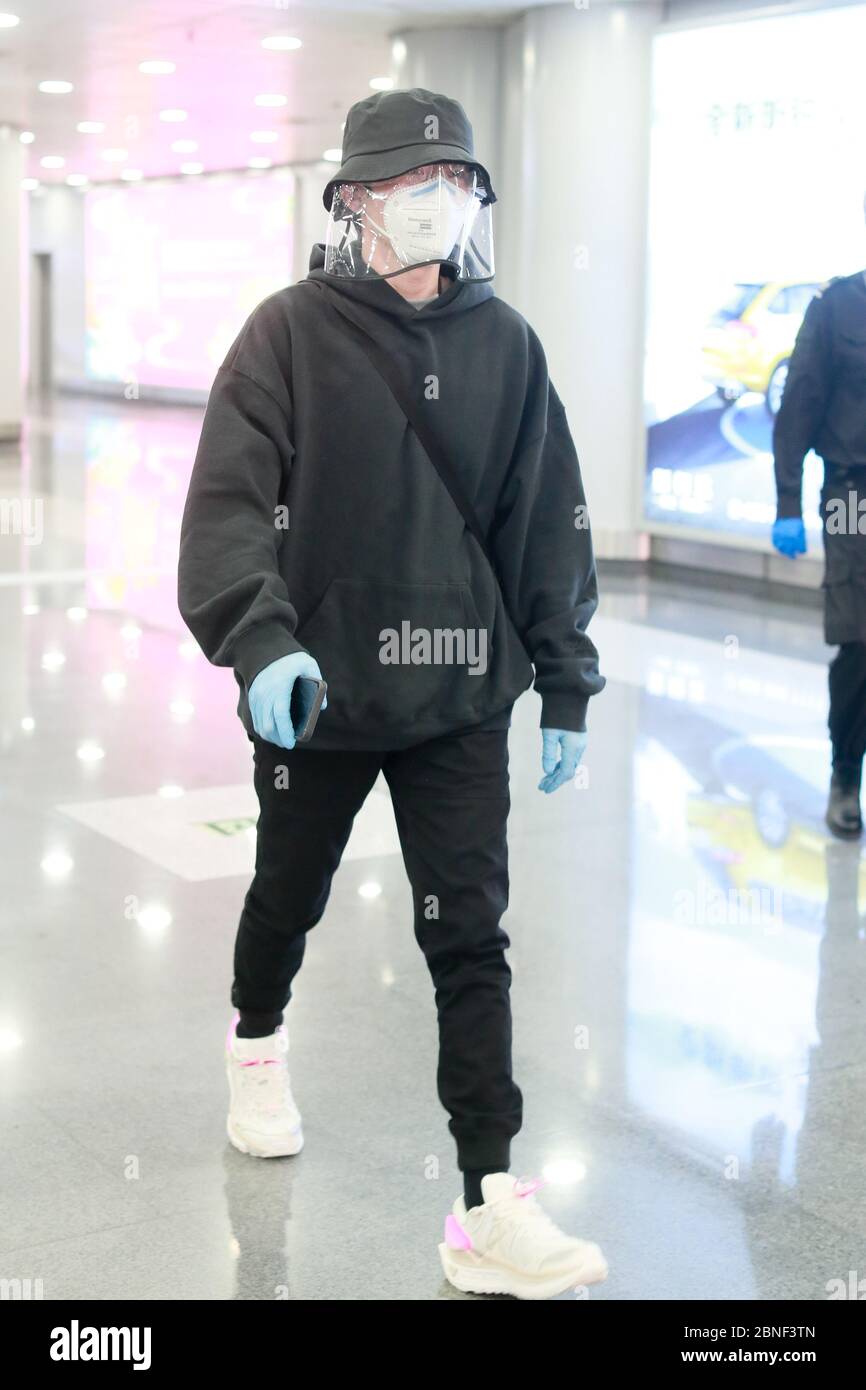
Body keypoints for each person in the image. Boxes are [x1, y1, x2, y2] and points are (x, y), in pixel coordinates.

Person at [178, 87, 607, 1299]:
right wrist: (261, 644)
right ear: (353, 204)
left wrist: (563, 678)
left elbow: (545, 524)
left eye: (457, 183)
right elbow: (222, 507)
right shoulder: (285, 335)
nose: (439, 203)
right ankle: (254, 1041)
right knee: (288, 892)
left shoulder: (506, 345)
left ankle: (486, 1199)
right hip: (320, 695)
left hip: (460, 695)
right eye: (412, 185)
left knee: (470, 939)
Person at [772, 246, 866, 840]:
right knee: (859, 637)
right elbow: (798, 406)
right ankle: (844, 778)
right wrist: (788, 503)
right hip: (853, 494)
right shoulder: (838, 306)